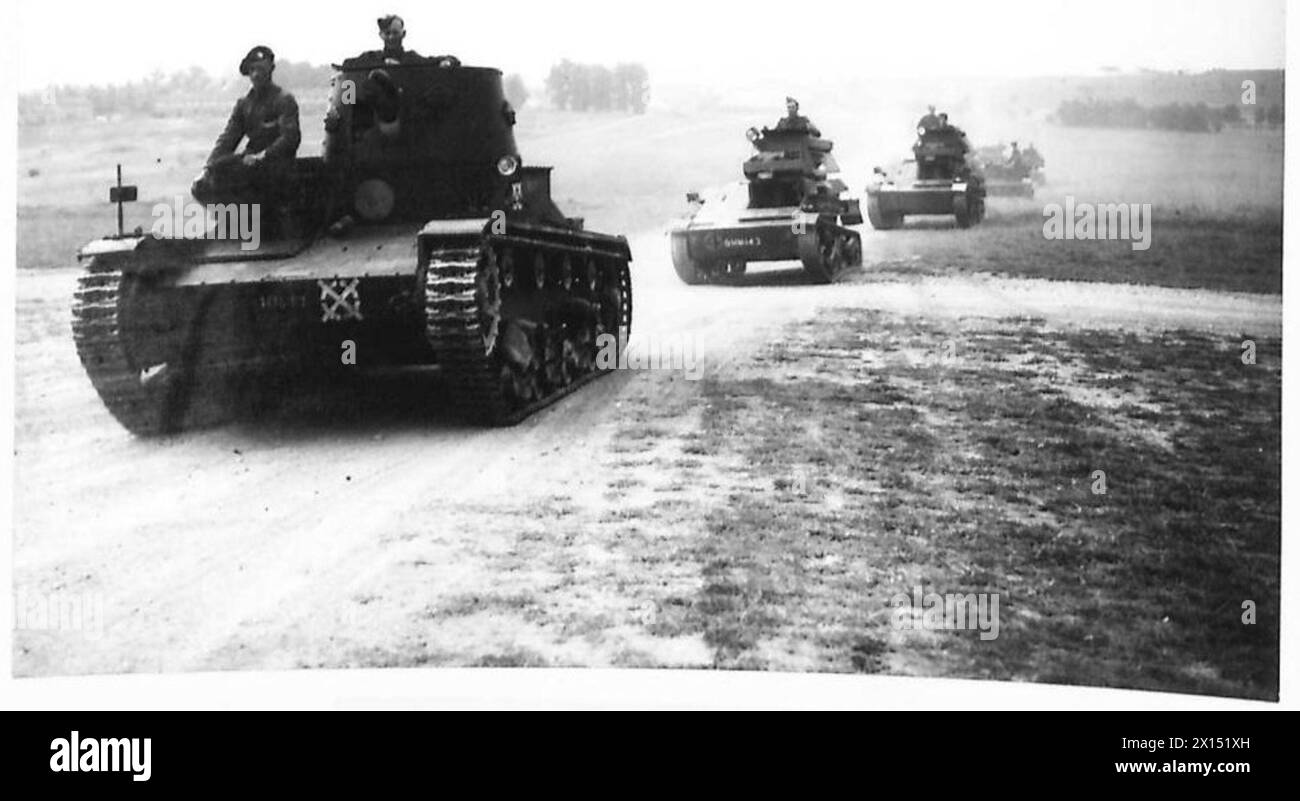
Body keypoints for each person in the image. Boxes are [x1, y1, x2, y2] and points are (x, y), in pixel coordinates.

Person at [191, 45, 301, 212]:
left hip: (276, 165)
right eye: (252, 69)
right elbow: (228, 138)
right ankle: (231, 224)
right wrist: (209, 167)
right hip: (250, 162)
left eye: (261, 69)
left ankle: (256, 225)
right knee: (202, 185)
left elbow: (290, 138)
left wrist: (263, 156)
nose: (256, 74)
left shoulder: (283, 100)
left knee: (248, 180)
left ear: (270, 70)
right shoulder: (244, 104)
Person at [346, 15, 427, 66]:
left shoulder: (412, 59)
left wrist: (400, 66)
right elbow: (346, 64)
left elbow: (433, 62)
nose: (391, 37)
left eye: (395, 33)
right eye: (387, 33)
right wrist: (383, 64)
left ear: (403, 34)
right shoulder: (370, 58)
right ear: (381, 35)